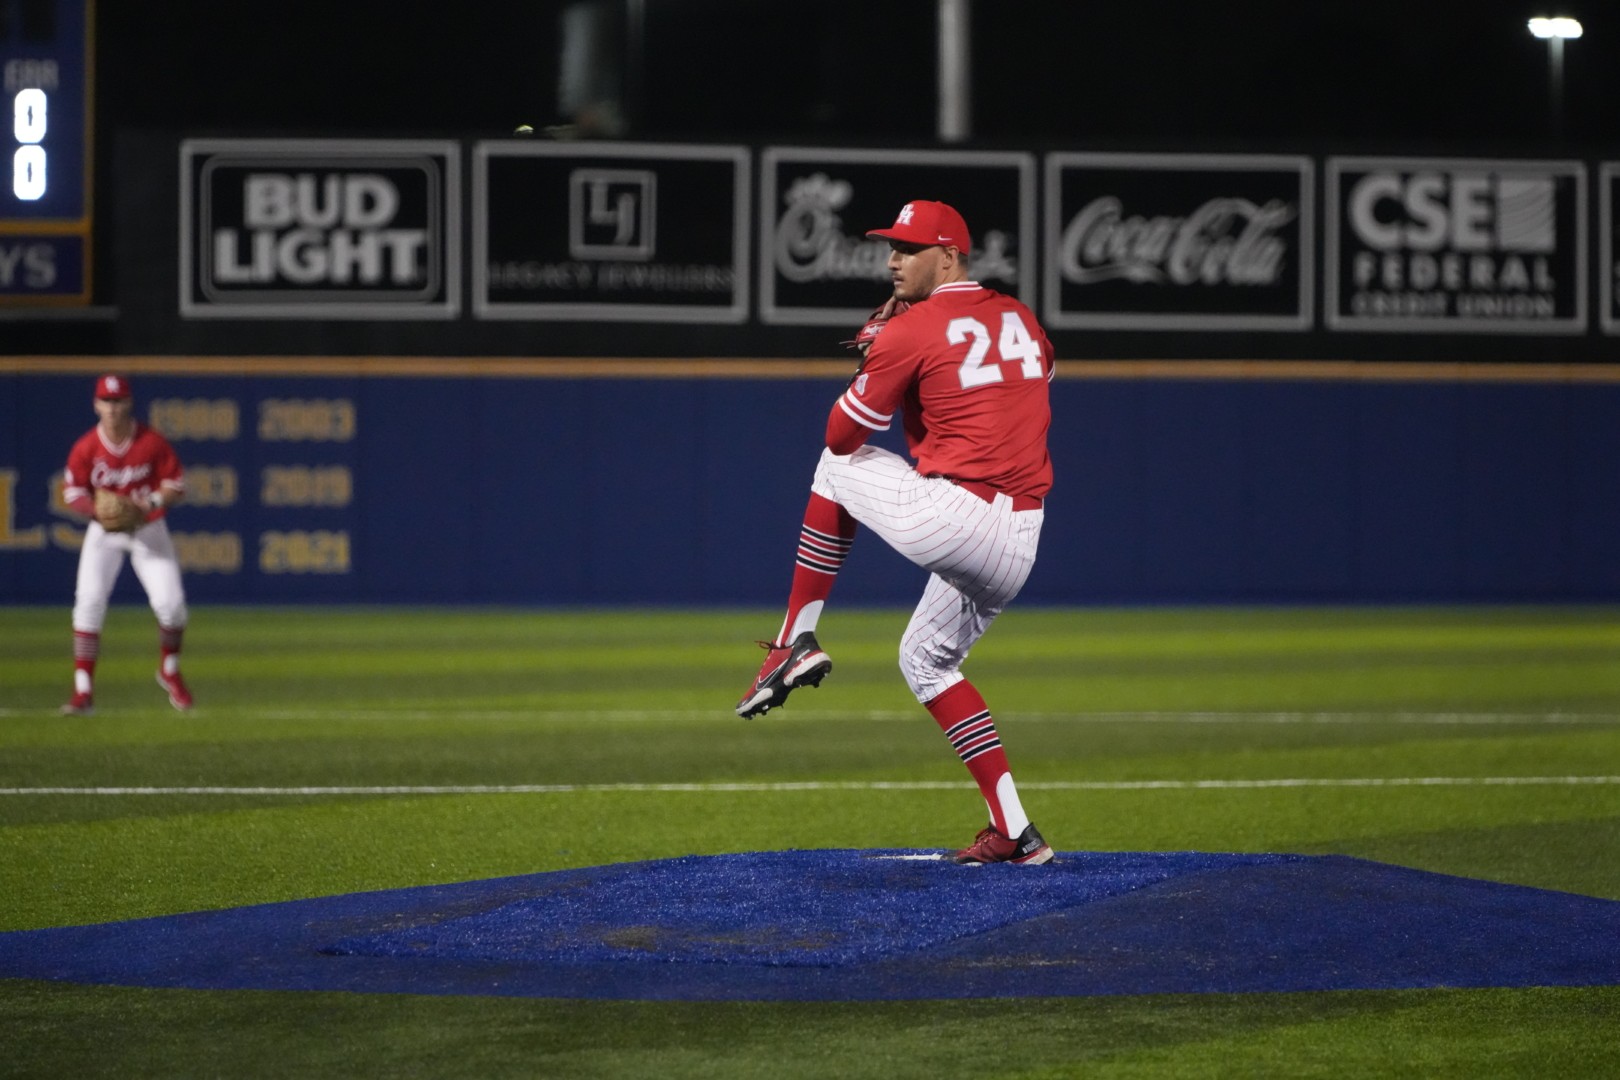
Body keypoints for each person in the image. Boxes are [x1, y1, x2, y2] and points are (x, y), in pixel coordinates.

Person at [736, 200, 1056, 865]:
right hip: (1021, 537)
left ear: (950, 257)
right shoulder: (1022, 318)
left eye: (909, 248)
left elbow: (841, 435)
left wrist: (880, 361)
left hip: (960, 518)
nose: (893, 260)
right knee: (926, 659)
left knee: (833, 464)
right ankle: (1016, 832)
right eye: (892, 246)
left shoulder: (911, 330)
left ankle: (794, 639)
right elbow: (1032, 375)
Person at [59, 373, 194, 715]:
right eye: (106, 401)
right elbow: (73, 492)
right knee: (88, 603)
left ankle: (170, 669)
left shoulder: (151, 442)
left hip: (148, 529)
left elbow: (176, 485)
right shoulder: (87, 447)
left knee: (173, 606)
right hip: (104, 533)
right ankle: (83, 691)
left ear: (129, 403)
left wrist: (148, 503)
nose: (113, 408)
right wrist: (97, 512)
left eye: (118, 401)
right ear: (96, 404)